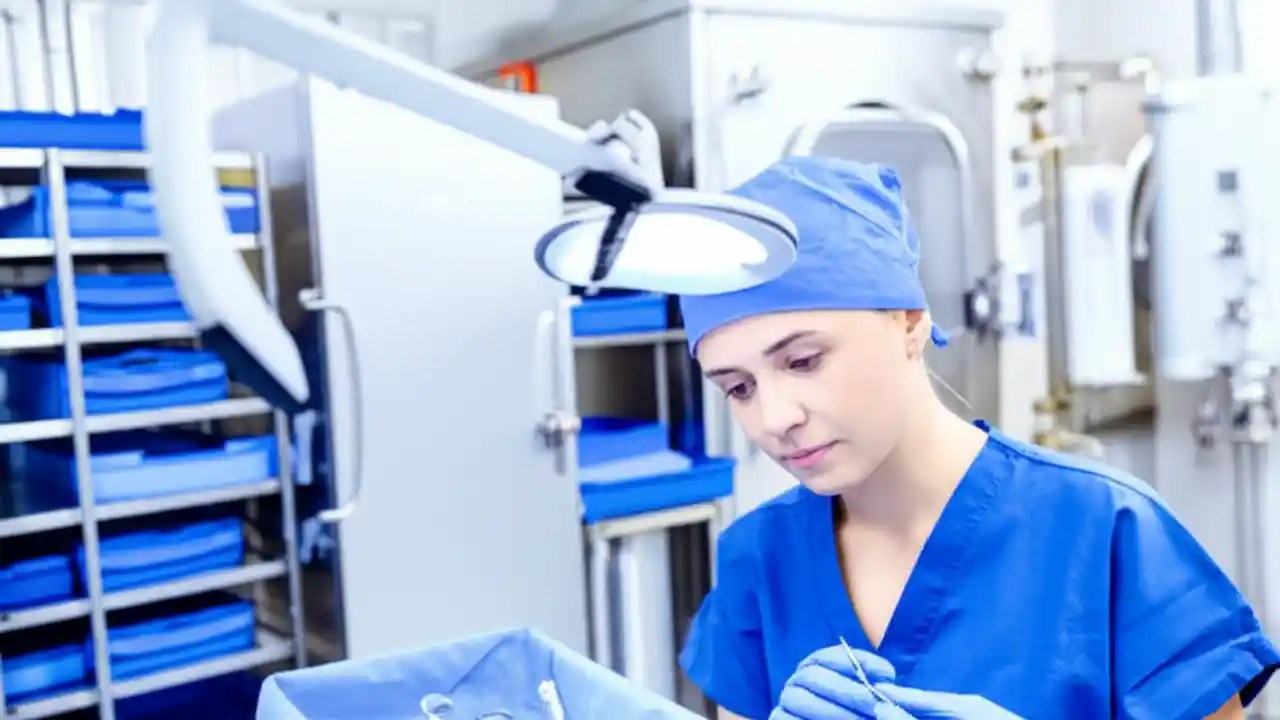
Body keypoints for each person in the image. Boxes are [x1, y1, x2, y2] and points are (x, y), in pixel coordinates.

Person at [675, 156, 1279, 720]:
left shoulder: (1106, 530)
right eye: (738, 388)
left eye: (804, 360)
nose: (775, 417)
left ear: (909, 322)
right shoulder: (757, 562)